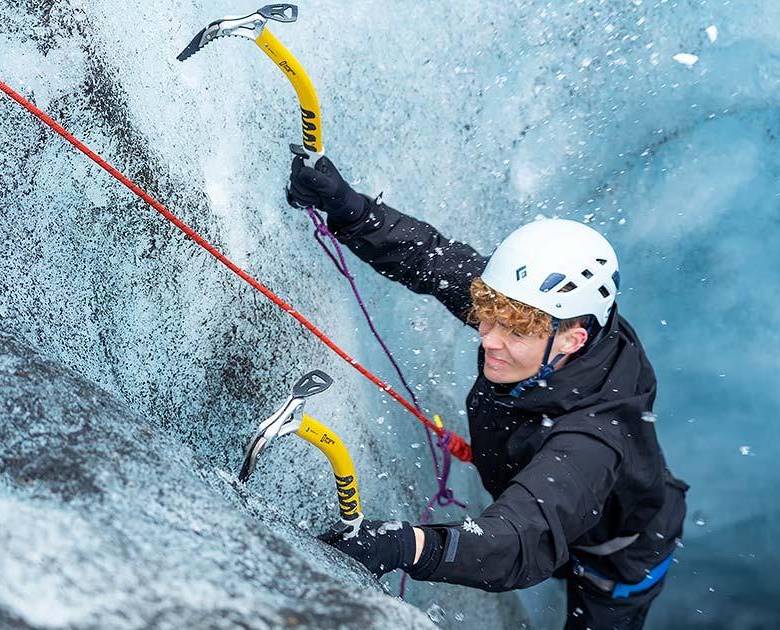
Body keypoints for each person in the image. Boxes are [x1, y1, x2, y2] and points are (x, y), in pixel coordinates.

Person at [287, 154, 689, 630]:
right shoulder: (537, 315)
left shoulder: (592, 440)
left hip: (615, 558)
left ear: (573, 339)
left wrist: (406, 545)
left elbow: (518, 542)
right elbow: (431, 258)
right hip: (548, 490)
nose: (489, 338)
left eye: (515, 332)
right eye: (488, 314)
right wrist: (351, 210)